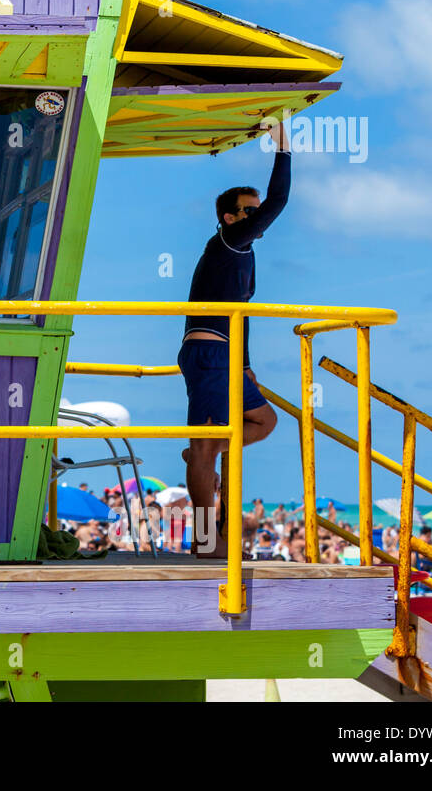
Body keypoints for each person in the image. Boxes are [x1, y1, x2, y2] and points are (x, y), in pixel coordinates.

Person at [179, 121, 289, 557]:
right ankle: (208, 543)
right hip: (207, 351)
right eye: (248, 209)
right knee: (206, 446)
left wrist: (244, 362)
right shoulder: (227, 240)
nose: (256, 215)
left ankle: (201, 459)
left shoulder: (245, 253)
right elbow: (278, 202)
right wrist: (283, 146)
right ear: (229, 217)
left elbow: (241, 316)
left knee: (264, 422)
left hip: (225, 354)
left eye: (253, 209)